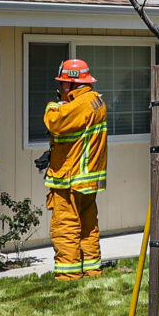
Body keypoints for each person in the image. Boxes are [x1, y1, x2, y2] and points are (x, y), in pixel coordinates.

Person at [44, 59, 108, 280]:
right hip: (87, 178)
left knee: (66, 225)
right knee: (88, 225)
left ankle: (68, 275)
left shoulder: (80, 104)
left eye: (63, 83)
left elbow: (54, 121)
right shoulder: (95, 100)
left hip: (71, 178)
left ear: (73, 83)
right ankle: (92, 269)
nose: (61, 88)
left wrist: (53, 105)